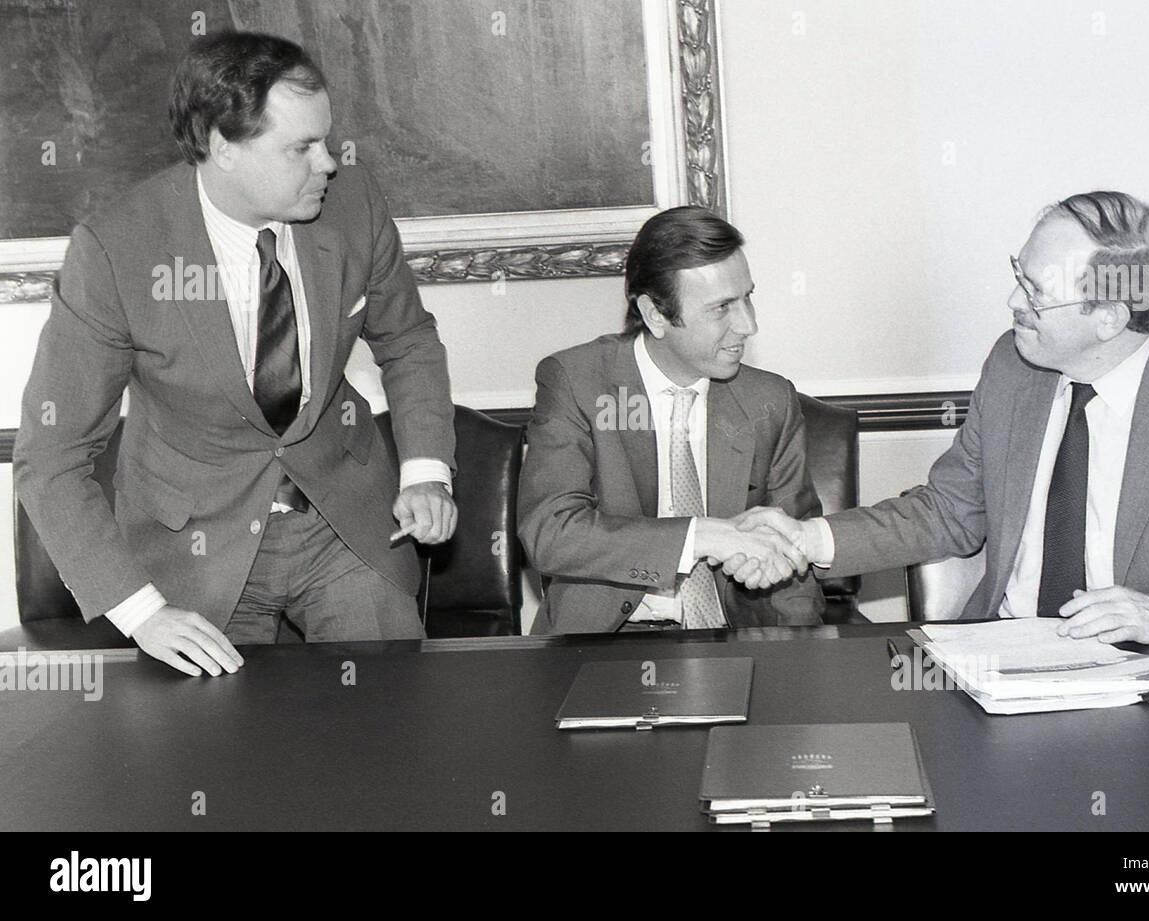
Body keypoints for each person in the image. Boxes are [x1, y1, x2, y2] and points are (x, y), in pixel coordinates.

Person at [13, 31, 458, 676]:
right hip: (195, 546)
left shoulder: (354, 206)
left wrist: (425, 471)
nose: (329, 163)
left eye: (326, 140)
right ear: (223, 147)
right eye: (301, 148)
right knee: (222, 765)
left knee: (390, 735)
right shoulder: (117, 251)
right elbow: (50, 457)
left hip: (346, 525)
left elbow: (409, 339)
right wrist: (141, 612)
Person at [740, 191, 1149, 644]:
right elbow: (949, 512)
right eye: (1019, 274)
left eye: (1035, 292)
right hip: (1005, 657)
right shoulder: (1015, 366)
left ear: (1108, 316)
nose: (1013, 300)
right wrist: (808, 537)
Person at [518, 206, 825, 633]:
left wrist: (799, 655)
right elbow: (550, 532)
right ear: (655, 314)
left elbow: (794, 549)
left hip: (733, 635)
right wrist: (700, 536)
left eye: (748, 297)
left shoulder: (769, 399)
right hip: (605, 641)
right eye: (722, 308)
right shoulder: (577, 382)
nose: (749, 325)